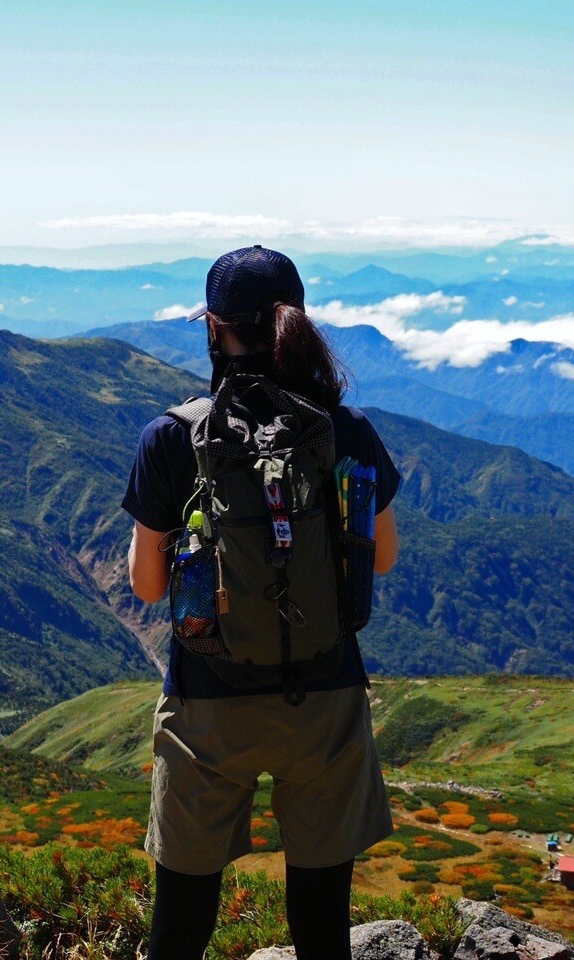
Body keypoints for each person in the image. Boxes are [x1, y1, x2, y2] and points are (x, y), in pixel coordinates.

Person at [121, 245, 401, 960]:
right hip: (326, 698)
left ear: (213, 327)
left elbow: (149, 586)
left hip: (208, 705)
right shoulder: (346, 429)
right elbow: (384, 557)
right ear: (295, 325)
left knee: (181, 920)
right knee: (321, 921)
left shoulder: (174, 436)